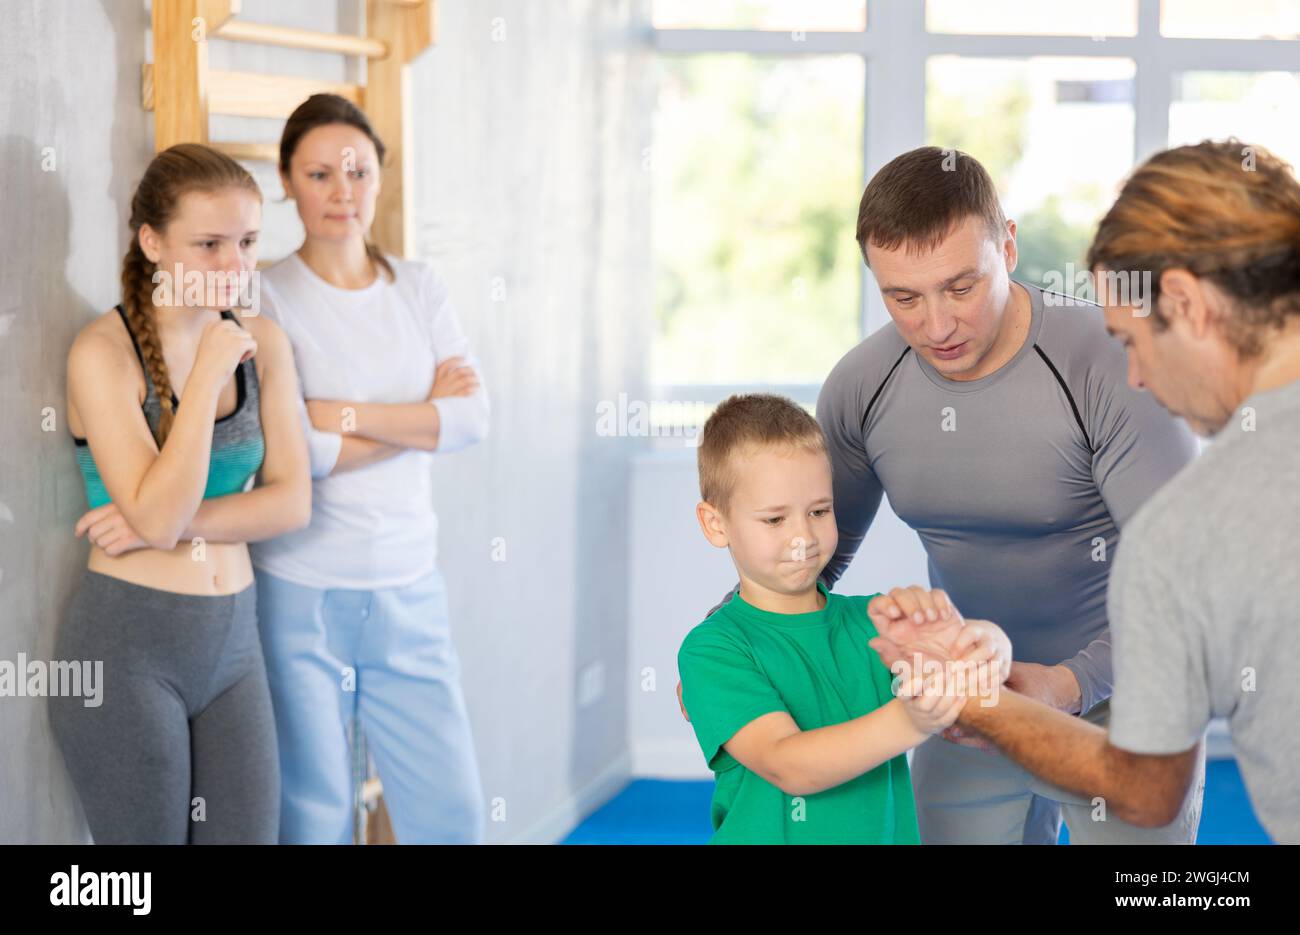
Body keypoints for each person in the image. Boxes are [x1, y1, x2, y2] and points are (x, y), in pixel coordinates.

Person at [682, 145, 1204, 844]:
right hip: (967, 695)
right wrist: (725, 648)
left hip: (1126, 690)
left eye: (961, 286)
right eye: (904, 297)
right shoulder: (864, 385)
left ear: (1009, 246)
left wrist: (1068, 683)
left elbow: (1186, 586)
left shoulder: (1110, 367)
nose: (936, 325)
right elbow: (803, 552)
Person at [876, 140, 1300, 845]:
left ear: (1187, 305)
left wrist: (981, 702)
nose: (1134, 377)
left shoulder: (1185, 531)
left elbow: (1143, 787)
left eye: (1131, 341)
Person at [52, 143, 312, 843]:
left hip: (235, 644)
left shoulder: (265, 344)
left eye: (249, 243)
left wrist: (162, 525)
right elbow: (157, 512)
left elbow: (291, 502)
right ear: (152, 242)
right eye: (210, 245)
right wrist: (203, 376)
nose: (237, 267)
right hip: (128, 647)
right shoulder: (102, 353)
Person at [249, 94, 489, 844]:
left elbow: (473, 419)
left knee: (452, 815)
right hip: (301, 591)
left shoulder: (419, 286)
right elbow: (293, 448)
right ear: (288, 182)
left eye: (356, 170)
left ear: (380, 175)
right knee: (314, 815)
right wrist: (422, 418)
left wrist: (341, 413)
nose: (340, 190)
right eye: (318, 173)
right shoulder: (262, 293)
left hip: (410, 586)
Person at [677, 393, 1010, 843]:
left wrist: (983, 642)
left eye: (819, 511)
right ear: (716, 524)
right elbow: (789, 765)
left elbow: (974, 684)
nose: (803, 538)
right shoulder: (713, 650)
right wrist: (910, 722)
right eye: (775, 520)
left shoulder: (878, 622)